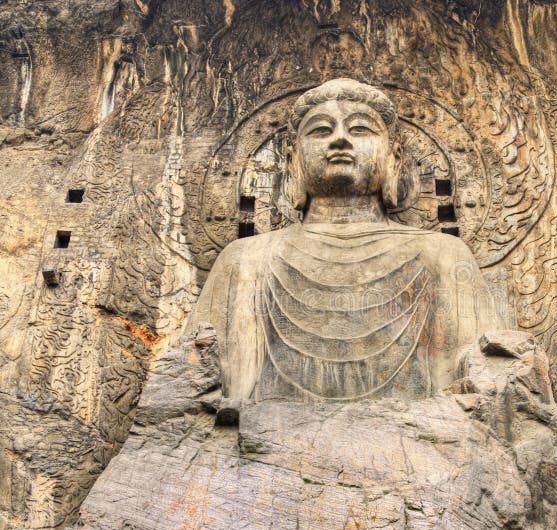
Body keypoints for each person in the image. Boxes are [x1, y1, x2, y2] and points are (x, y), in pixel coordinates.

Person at [185, 78, 500, 401]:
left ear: (394, 159)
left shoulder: (442, 254)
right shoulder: (245, 259)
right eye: (321, 130)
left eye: (360, 129)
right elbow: (194, 380)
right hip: (266, 441)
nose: (339, 140)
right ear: (293, 159)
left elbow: (482, 378)